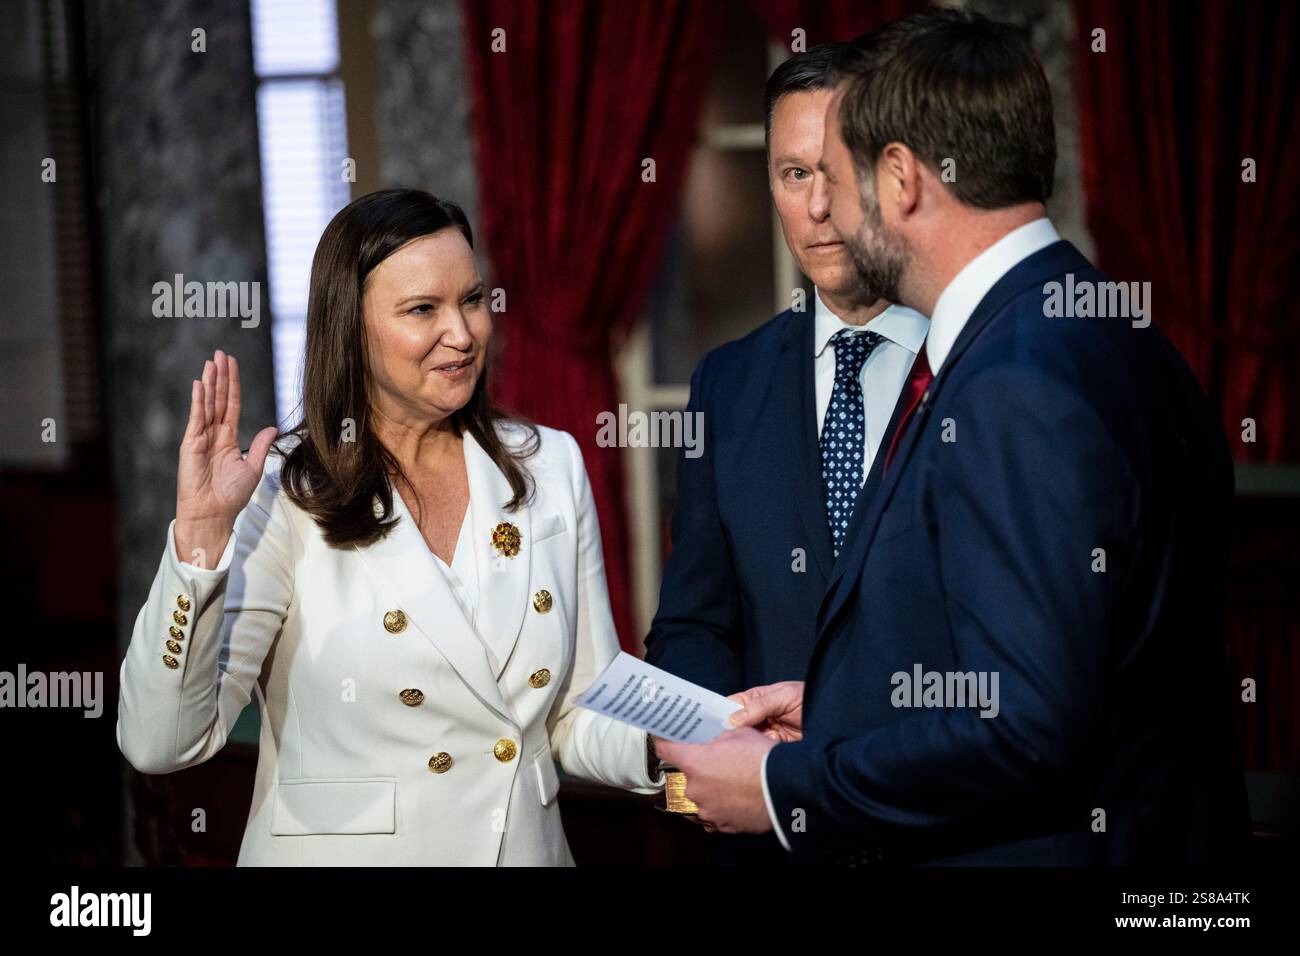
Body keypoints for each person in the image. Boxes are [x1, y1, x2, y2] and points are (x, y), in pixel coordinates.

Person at [655, 8, 1249, 865]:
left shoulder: (1015, 379)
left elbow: (1028, 734)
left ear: (898, 177)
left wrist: (785, 788)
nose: (829, 208)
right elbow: (1053, 661)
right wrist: (839, 705)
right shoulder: (1099, 322)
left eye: (846, 171)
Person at [116, 188, 664, 866]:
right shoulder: (285, 490)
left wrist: (683, 740)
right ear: (351, 327)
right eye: (422, 310)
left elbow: (580, 707)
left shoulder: (550, 463)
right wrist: (200, 536)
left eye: (471, 299)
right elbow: (163, 740)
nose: (462, 333)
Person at [643, 42, 927, 860]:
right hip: (770, 838)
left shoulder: (978, 368)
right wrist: (719, 746)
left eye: (839, 169)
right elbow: (695, 620)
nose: (817, 206)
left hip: (944, 828)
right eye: (793, 174)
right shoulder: (727, 385)